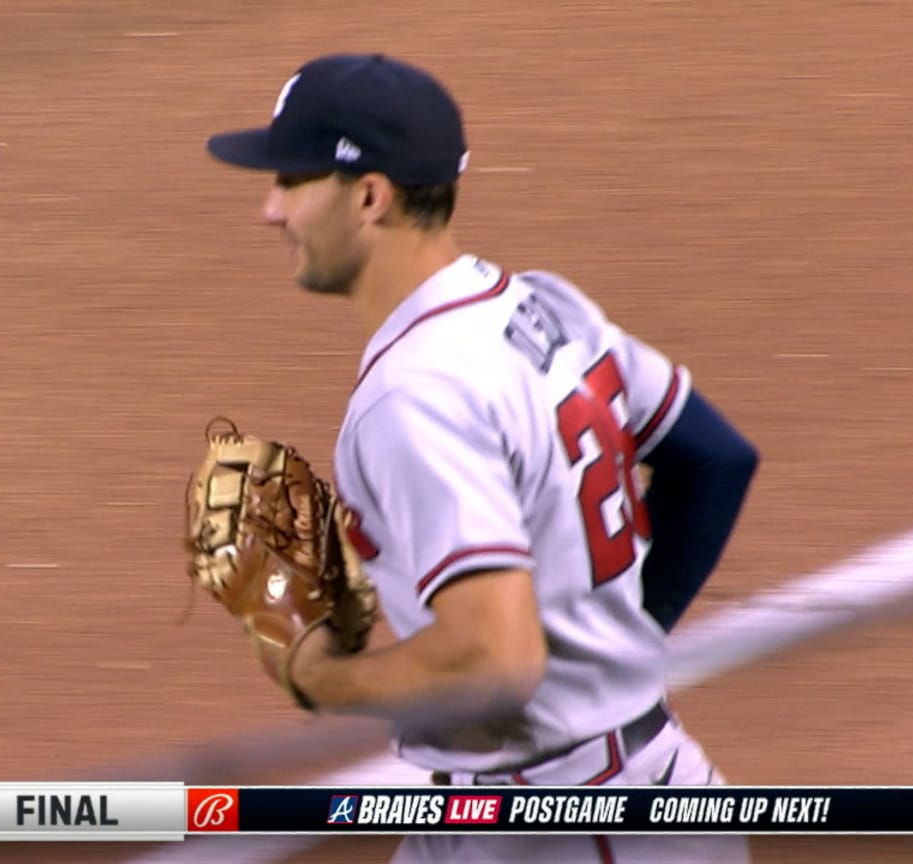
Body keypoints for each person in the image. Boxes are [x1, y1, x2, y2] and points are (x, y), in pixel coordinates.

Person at [205, 53, 759, 863]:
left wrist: (315, 674)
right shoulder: (541, 307)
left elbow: (495, 664)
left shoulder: (413, 395)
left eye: (292, 180)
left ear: (370, 196)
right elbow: (713, 459)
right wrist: (614, 656)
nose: (270, 209)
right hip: (615, 785)